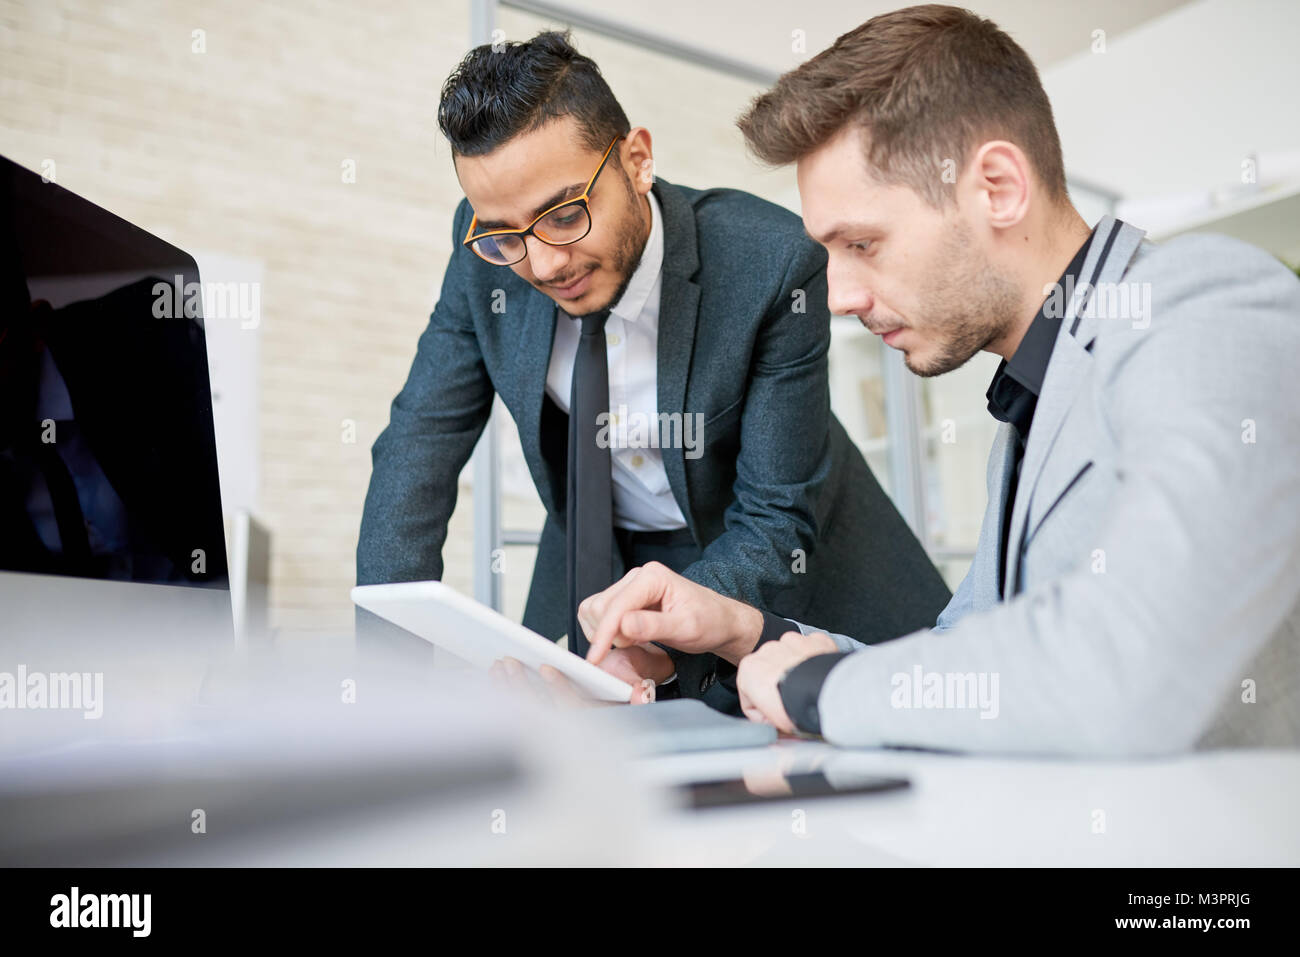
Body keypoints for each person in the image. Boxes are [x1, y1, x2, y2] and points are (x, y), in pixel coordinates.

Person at [581, 5, 1300, 753]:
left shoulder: (1202, 303)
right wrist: (744, 629)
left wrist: (818, 689)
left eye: (863, 243)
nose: (841, 297)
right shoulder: (1028, 419)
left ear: (996, 187)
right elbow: (961, 669)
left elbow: (1136, 657)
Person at [356, 30, 949, 713]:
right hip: (597, 546)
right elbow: (415, 450)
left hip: (780, 553)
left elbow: (776, 514)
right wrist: (385, 689)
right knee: (558, 745)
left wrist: (669, 644)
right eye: (506, 234)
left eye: (566, 213)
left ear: (637, 159)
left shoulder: (770, 262)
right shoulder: (484, 252)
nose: (543, 263)